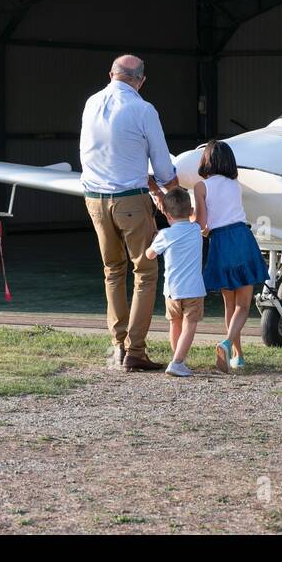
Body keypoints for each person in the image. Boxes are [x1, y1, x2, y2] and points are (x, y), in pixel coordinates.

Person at [80, 54, 177, 372]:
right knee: (146, 273)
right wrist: (173, 198)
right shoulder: (143, 109)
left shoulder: (91, 103)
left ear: (111, 74)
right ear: (141, 80)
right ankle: (135, 350)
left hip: (94, 199)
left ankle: (117, 346)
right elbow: (162, 165)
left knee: (112, 271)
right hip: (131, 201)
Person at [195, 140, 268, 373]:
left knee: (229, 304)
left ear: (206, 160)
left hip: (221, 242)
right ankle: (230, 347)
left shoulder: (200, 187)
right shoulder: (235, 185)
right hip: (242, 238)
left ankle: (237, 353)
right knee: (243, 305)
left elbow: (202, 224)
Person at [146, 188, 207, 377]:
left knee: (175, 323)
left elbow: (149, 255)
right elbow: (200, 219)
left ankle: (177, 359)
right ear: (190, 212)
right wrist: (197, 196)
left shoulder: (165, 235)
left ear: (167, 214)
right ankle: (177, 362)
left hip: (171, 291)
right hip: (194, 290)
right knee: (190, 325)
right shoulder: (196, 229)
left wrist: (155, 240)